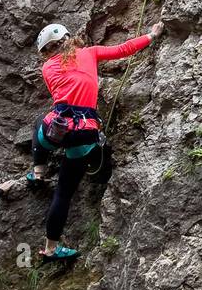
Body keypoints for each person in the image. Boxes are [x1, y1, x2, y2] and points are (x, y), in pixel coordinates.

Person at [30, 21, 163, 262]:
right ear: (68, 39)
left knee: (39, 122)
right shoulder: (89, 53)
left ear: (48, 50)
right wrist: (151, 36)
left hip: (56, 130)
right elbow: (123, 49)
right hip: (85, 134)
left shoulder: (47, 68)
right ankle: (51, 248)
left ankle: (38, 172)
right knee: (64, 192)